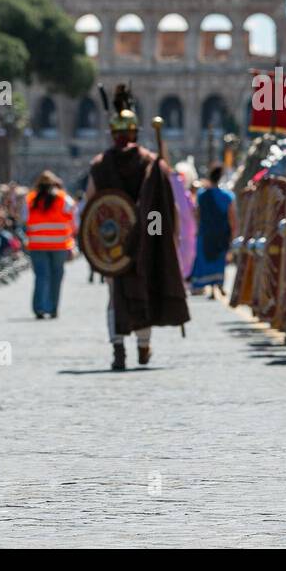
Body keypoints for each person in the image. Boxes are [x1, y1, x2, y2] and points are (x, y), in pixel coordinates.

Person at [83, 86, 190, 371]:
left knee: (115, 295)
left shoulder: (99, 164)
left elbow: (92, 205)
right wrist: (171, 239)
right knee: (143, 289)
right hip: (146, 239)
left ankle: (118, 348)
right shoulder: (151, 163)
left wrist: (95, 243)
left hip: (113, 242)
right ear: (135, 132)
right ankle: (143, 345)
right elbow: (168, 208)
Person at [24, 170, 77, 318]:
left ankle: (39, 307)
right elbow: (73, 219)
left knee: (41, 276)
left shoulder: (30, 199)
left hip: (37, 245)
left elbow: (24, 219)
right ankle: (53, 308)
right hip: (59, 245)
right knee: (56, 277)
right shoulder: (63, 198)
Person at [190, 165, 236, 294]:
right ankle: (218, 285)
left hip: (205, 232)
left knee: (205, 259)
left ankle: (207, 286)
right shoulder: (227, 196)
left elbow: (197, 214)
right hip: (221, 233)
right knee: (219, 260)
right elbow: (232, 218)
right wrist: (233, 234)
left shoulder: (201, 195)